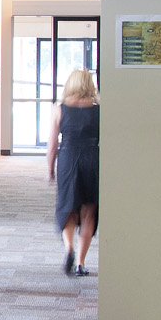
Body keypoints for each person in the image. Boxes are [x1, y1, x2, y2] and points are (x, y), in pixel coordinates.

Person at [48, 68, 101, 277]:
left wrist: (50, 169)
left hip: (68, 157)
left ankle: (69, 247)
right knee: (89, 209)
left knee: (67, 205)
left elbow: (52, 144)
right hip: (92, 158)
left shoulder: (59, 108)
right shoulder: (99, 109)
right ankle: (80, 262)